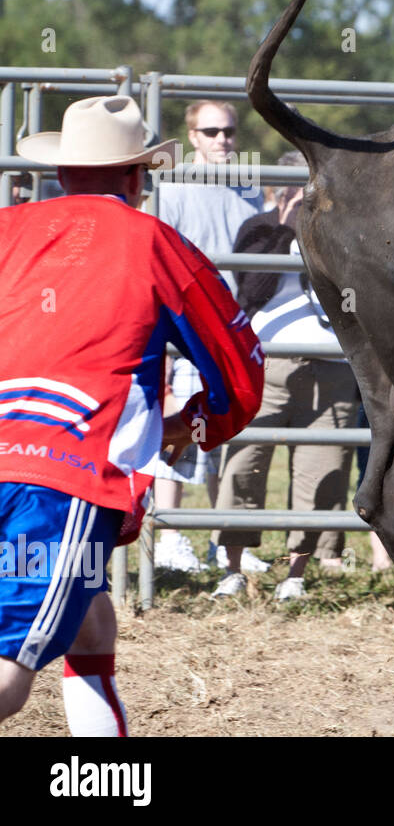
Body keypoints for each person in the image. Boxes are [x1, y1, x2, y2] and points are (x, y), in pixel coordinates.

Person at [0, 95, 263, 733]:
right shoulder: (153, 243)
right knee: (9, 670)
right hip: (63, 474)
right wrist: (195, 425)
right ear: (137, 176)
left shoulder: (7, 230)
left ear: (61, 172)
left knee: (87, 612)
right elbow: (237, 369)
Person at [211, 152, 362, 600]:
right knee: (244, 463)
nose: (304, 196)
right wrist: (286, 223)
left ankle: (295, 576)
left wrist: (318, 227)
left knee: (323, 471)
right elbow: (252, 288)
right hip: (267, 364)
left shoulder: (339, 231)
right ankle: (233, 569)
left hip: (331, 366)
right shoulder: (260, 228)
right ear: (277, 188)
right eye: (294, 187)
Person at [153, 100, 265, 573]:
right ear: (193, 136)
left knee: (229, 428)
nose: (223, 139)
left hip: (233, 324)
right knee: (178, 429)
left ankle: (225, 544)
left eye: (230, 131)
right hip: (187, 328)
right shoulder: (173, 185)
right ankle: (170, 537)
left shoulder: (250, 187)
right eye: (212, 131)